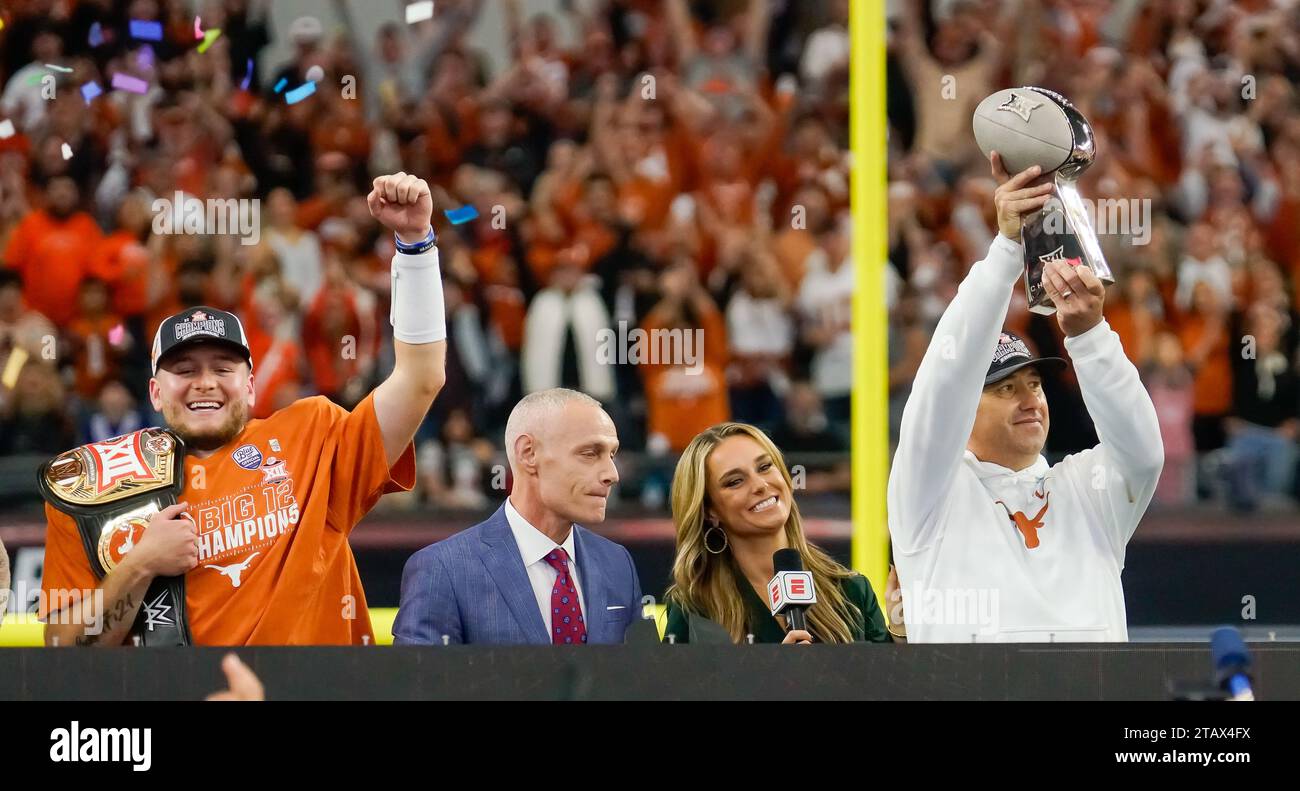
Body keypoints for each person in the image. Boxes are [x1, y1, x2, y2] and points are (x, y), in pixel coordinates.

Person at [39, 172, 448, 646]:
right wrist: (140, 564)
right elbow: (63, 649)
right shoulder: (99, 486)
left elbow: (421, 378)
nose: (205, 382)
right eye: (185, 369)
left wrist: (416, 244)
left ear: (250, 386)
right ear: (155, 393)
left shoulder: (313, 434)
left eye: (222, 368)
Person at [887, 154, 1164, 643]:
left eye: (1034, 384)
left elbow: (1143, 455)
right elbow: (944, 383)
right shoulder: (930, 493)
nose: (1030, 399)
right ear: (965, 412)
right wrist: (1006, 249)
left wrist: (1090, 336)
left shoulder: (1085, 488)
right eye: (1004, 389)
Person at [393, 388, 642, 645]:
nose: (612, 474)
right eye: (590, 454)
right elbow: (420, 672)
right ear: (528, 453)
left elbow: (640, 669)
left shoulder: (618, 563)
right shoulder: (442, 569)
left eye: (612, 455)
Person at [661, 422, 891, 644]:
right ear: (709, 510)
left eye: (764, 467)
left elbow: (886, 670)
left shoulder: (853, 591)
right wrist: (775, 667)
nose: (760, 485)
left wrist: (899, 633)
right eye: (735, 481)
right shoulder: (693, 608)